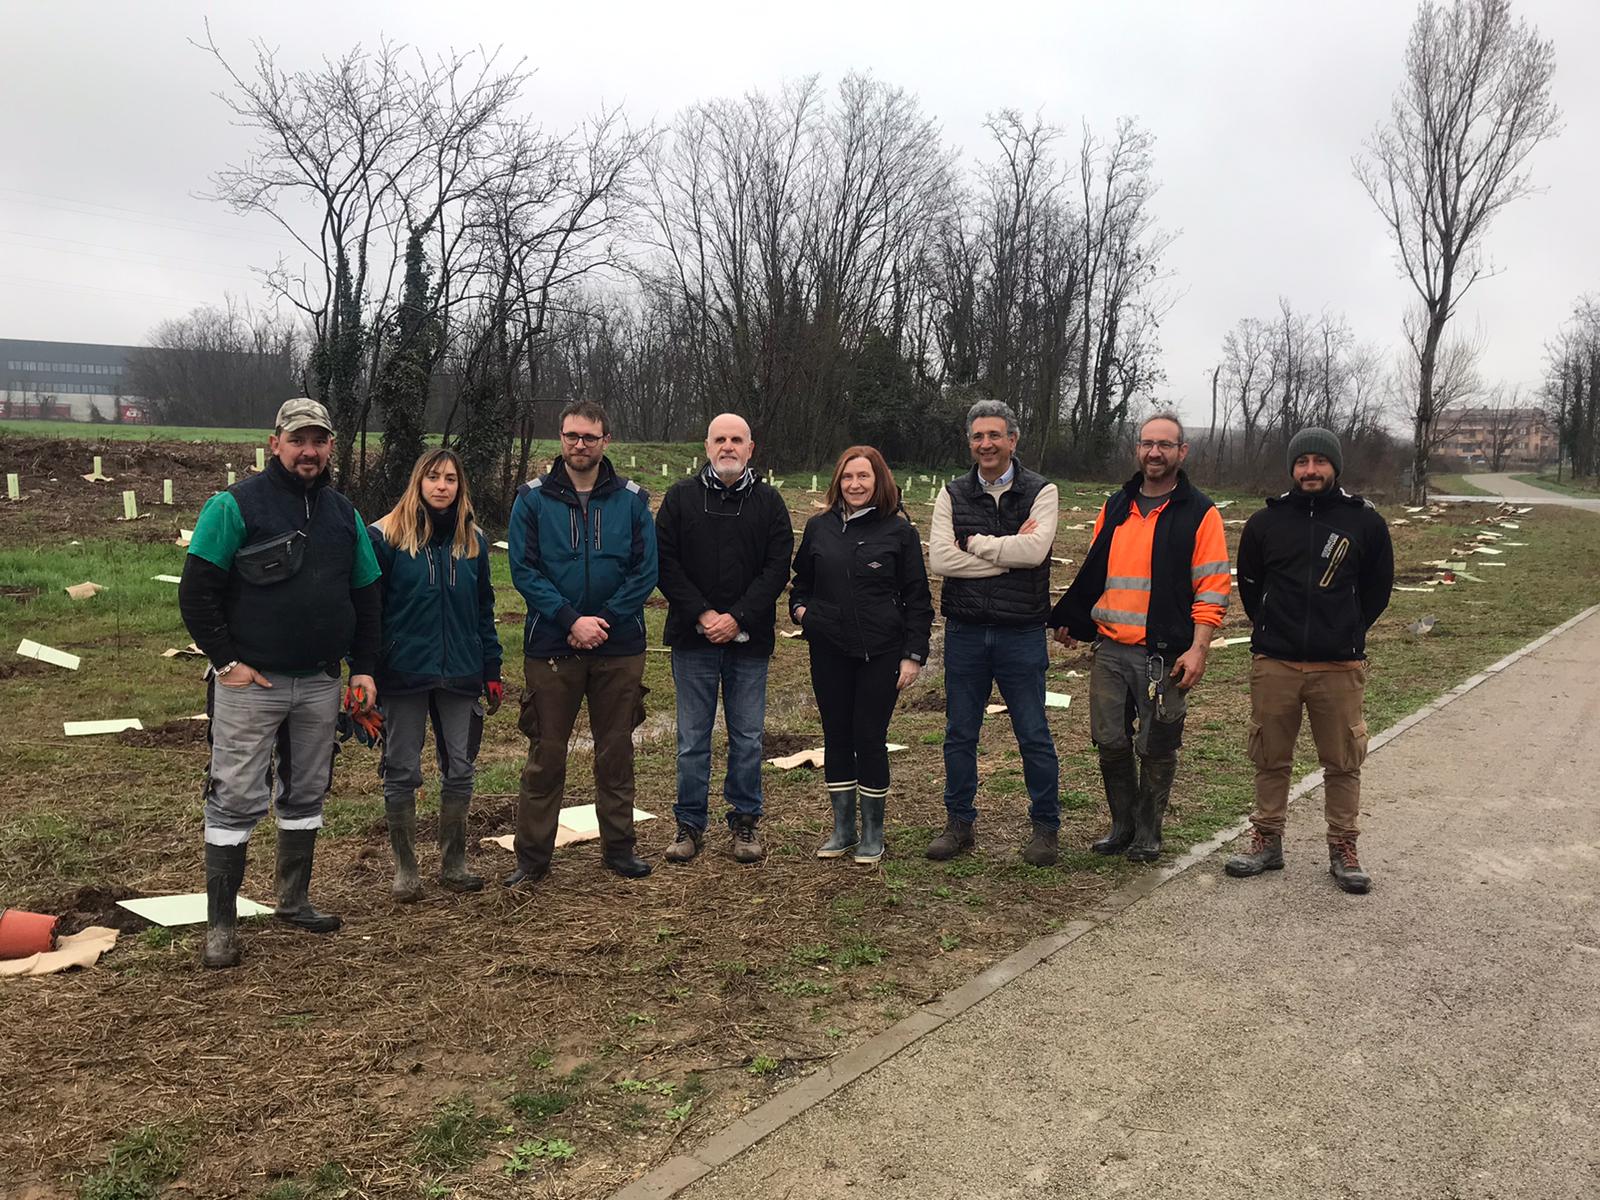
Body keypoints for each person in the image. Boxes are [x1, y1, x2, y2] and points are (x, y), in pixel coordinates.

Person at [178, 398, 383, 969]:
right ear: (276, 444)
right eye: (298, 440)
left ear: (330, 448)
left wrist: (363, 668)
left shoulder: (345, 516)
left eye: (319, 441)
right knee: (235, 796)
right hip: (252, 685)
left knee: (308, 790)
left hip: (320, 682)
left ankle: (294, 900)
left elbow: (368, 598)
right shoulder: (234, 506)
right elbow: (196, 592)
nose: (309, 451)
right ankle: (222, 926)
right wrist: (227, 664)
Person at [1051, 413, 1230, 863]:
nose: (1155, 452)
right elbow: (1095, 573)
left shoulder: (1199, 513)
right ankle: (1122, 825)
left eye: (1165, 445)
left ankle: (1149, 832)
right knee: (1109, 740)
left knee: (1158, 742)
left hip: (1164, 654)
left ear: (1181, 452)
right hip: (1111, 649)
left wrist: (1199, 647)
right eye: (1148, 443)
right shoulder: (1115, 506)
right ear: (1137, 449)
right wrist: (1075, 619)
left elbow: (1212, 587)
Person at [1226, 427, 1394, 894]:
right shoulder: (1266, 522)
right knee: (1269, 755)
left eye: (1320, 462)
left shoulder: (1365, 523)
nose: (1311, 470)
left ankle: (1343, 847)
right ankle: (1267, 839)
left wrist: (1349, 629)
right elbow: (1251, 587)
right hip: (1275, 662)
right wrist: (1269, 628)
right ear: (1292, 468)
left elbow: (1379, 588)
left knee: (1343, 760)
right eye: (1302, 463)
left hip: (1339, 665)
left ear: (1335, 467)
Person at [502, 400, 659, 886]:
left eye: (589, 437)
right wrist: (570, 619)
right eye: (571, 435)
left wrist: (603, 621)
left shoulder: (633, 500)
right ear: (561, 438)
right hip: (552, 646)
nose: (579, 444)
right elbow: (524, 571)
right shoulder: (531, 499)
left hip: (618, 646)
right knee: (546, 754)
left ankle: (619, 849)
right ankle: (532, 858)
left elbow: (645, 571)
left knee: (615, 752)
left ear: (605, 441)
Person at [927, 400, 1062, 866]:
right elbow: (941, 561)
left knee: (1033, 733)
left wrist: (979, 544)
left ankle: (1046, 827)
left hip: (1021, 633)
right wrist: (1009, 557)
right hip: (965, 632)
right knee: (960, 734)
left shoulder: (1042, 491)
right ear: (970, 442)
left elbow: (1036, 551)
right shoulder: (952, 493)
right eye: (978, 436)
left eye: (995, 435)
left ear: (1013, 440)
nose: (986, 444)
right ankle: (958, 823)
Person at [655, 414, 794, 864]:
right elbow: (666, 564)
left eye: (737, 440)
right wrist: (703, 613)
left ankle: (745, 821)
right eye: (721, 440)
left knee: (748, 737)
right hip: (692, 641)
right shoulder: (679, 499)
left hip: (748, 641)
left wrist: (736, 617)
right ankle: (689, 824)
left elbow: (776, 569)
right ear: (707, 446)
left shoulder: (770, 503)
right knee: (693, 738)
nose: (728, 447)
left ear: (751, 448)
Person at [367, 449, 503, 901]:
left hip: (461, 669)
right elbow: (370, 610)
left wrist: (492, 667)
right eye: (433, 477)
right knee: (401, 769)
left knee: (460, 769)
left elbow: (485, 609)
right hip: (403, 670)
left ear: (460, 486)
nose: (442, 486)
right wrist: (366, 669)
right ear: (417, 482)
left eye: (450, 478)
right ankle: (406, 868)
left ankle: (454, 860)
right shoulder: (385, 537)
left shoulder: (474, 542)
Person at [791, 447, 933, 864]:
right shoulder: (819, 528)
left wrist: (913, 654)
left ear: (879, 482)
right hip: (829, 651)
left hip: (881, 653)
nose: (855, 485)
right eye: (848, 477)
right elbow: (801, 583)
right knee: (836, 737)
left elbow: (918, 599)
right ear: (838, 481)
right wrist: (802, 612)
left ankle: (873, 831)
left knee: (868, 738)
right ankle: (842, 829)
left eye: (864, 477)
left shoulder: (898, 532)